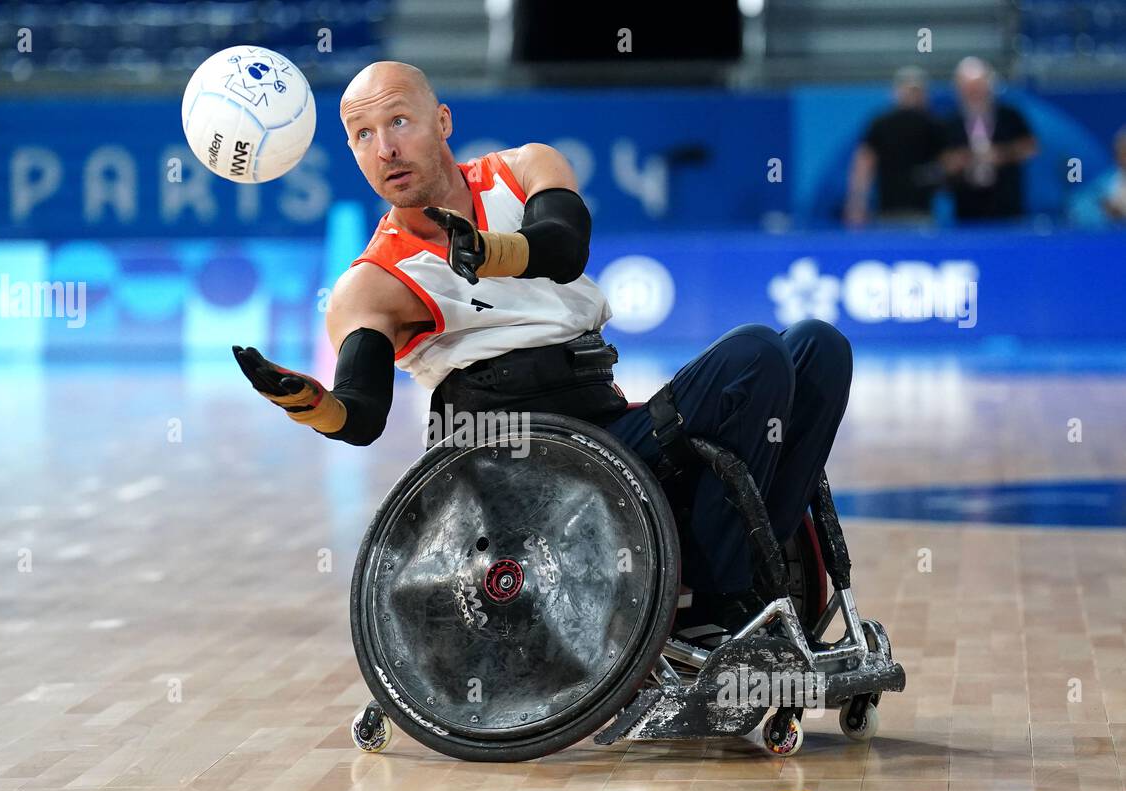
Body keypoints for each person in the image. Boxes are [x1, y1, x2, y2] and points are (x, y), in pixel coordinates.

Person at [232, 62, 852, 631]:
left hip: (607, 426)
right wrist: (309, 402)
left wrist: (488, 251)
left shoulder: (525, 167)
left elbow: (563, 244)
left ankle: (744, 574)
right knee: (753, 355)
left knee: (817, 347)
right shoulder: (371, 283)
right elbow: (361, 414)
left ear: (441, 121)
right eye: (363, 134)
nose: (386, 147)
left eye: (398, 121)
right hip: (521, 465)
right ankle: (725, 602)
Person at [845, 67, 947, 227]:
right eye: (909, 91)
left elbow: (947, 163)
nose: (913, 97)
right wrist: (857, 202)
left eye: (916, 91)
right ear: (897, 92)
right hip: (888, 211)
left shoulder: (933, 126)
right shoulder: (881, 124)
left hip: (921, 211)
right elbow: (864, 163)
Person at [940, 57, 1039, 222]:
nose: (974, 93)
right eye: (968, 88)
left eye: (978, 86)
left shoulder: (1010, 116)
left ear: (989, 85)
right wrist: (960, 160)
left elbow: (1031, 147)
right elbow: (942, 161)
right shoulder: (949, 122)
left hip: (1006, 204)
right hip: (966, 208)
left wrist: (1001, 154)